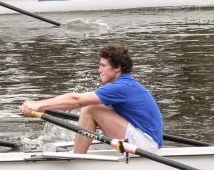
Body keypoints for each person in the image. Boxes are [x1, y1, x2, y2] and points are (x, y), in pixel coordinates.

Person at [19, 44, 163, 155]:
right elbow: (74, 101)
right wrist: (44, 108)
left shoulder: (121, 87)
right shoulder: (125, 84)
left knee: (90, 109)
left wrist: (38, 104)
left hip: (145, 146)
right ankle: (78, 153)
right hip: (145, 141)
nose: (99, 70)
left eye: (103, 66)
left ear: (117, 67)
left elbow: (76, 99)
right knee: (93, 108)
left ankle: (77, 158)